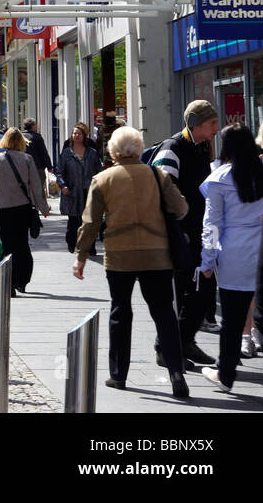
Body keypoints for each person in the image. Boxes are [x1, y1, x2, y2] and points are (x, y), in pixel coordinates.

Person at [73, 126, 191, 399]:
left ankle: (119, 375)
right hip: (157, 254)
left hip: (119, 256)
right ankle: (176, 372)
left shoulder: (103, 179)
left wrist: (81, 257)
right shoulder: (157, 174)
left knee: (120, 312)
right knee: (163, 312)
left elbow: (90, 223)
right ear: (139, 149)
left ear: (113, 151)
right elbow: (181, 208)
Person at [150, 100, 221, 369]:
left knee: (202, 291)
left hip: (201, 231)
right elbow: (160, 190)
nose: (216, 127)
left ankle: (185, 340)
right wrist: (177, 230)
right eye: (212, 123)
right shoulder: (173, 147)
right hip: (181, 234)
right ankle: (165, 348)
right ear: (197, 123)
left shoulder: (202, 147)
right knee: (181, 292)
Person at [197, 124, 263, 392]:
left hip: (234, 252)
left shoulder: (220, 178)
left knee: (233, 319)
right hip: (260, 248)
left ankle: (225, 374)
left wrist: (207, 261)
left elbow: (212, 224)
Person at [0, 128, 50, 295]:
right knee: (22, 244)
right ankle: (21, 280)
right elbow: (36, 186)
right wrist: (43, 208)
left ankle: (9, 281)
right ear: (22, 141)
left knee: (7, 245)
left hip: (4, 209)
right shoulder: (27, 159)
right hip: (23, 208)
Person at [58, 123, 103, 254]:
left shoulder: (92, 153)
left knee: (90, 221)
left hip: (89, 191)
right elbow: (59, 171)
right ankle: (72, 242)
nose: (77, 136)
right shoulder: (67, 153)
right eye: (75, 133)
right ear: (71, 136)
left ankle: (90, 246)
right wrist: (63, 185)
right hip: (72, 191)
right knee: (73, 221)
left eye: (79, 134)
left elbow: (99, 171)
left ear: (84, 136)